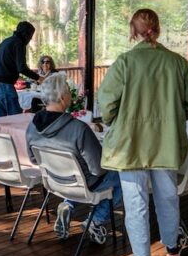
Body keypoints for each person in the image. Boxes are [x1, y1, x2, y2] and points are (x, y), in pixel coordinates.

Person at [97, 9, 188, 256]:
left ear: (134, 31)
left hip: (130, 143)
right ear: (158, 29)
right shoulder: (178, 63)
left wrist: (115, 120)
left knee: (136, 201)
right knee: (168, 196)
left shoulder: (125, 62)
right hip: (165, 142)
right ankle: (172, 246)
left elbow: (107, 104)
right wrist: (170, 120)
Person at [26, 72, 122, 245]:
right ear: (63, 98)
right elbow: (98, 169)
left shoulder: (32, 126)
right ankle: (96, 220)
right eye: (69, 92)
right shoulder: (79, 129)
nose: (71, 95)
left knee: (79, 173)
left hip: (54, 182)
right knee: (122, 176)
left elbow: (34, 160)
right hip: (82, 184)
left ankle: (69, 205)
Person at [0, 21, 44, 117]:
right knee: (16, 117)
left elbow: (6, 64)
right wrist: (38, 78)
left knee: (0, 118)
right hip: (3, 85)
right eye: (31, 35)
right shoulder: (19, 43)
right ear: (26, 34)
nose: (30, 39)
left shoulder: (7, 41)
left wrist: (16, 76)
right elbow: (21, 67)